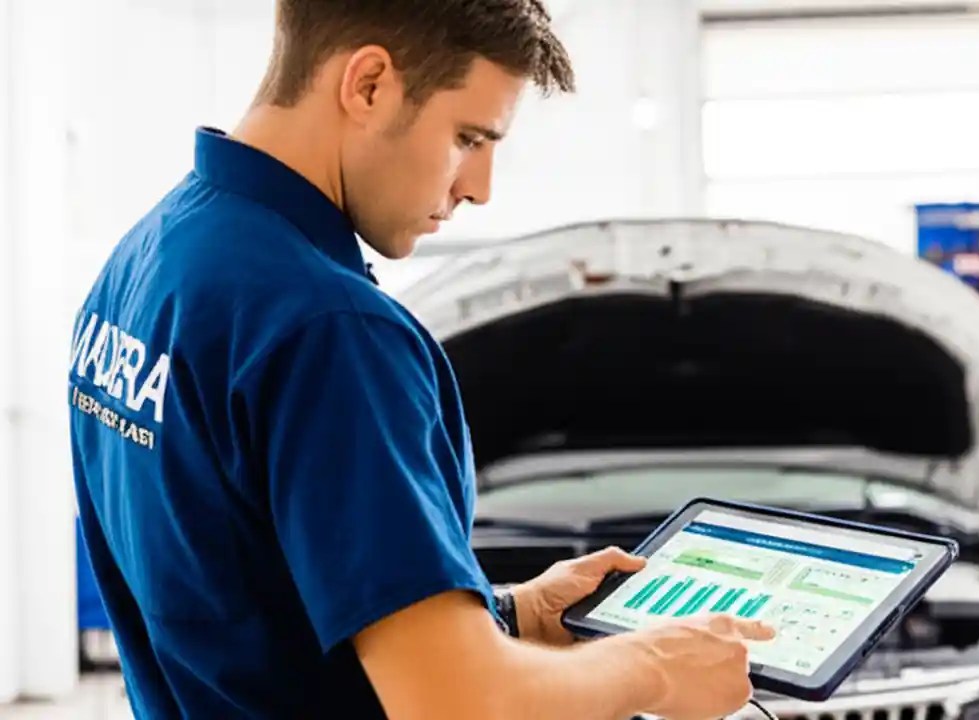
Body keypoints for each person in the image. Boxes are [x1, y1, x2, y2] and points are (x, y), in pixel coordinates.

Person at [66, 1, 775, 718]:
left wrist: (515, 614)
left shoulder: (147, 259)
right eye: (469, 138)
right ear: (369, 84)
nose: (480, 187)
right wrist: (650, 666)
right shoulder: (330, 329)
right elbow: (458, 705)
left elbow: (247, 605)